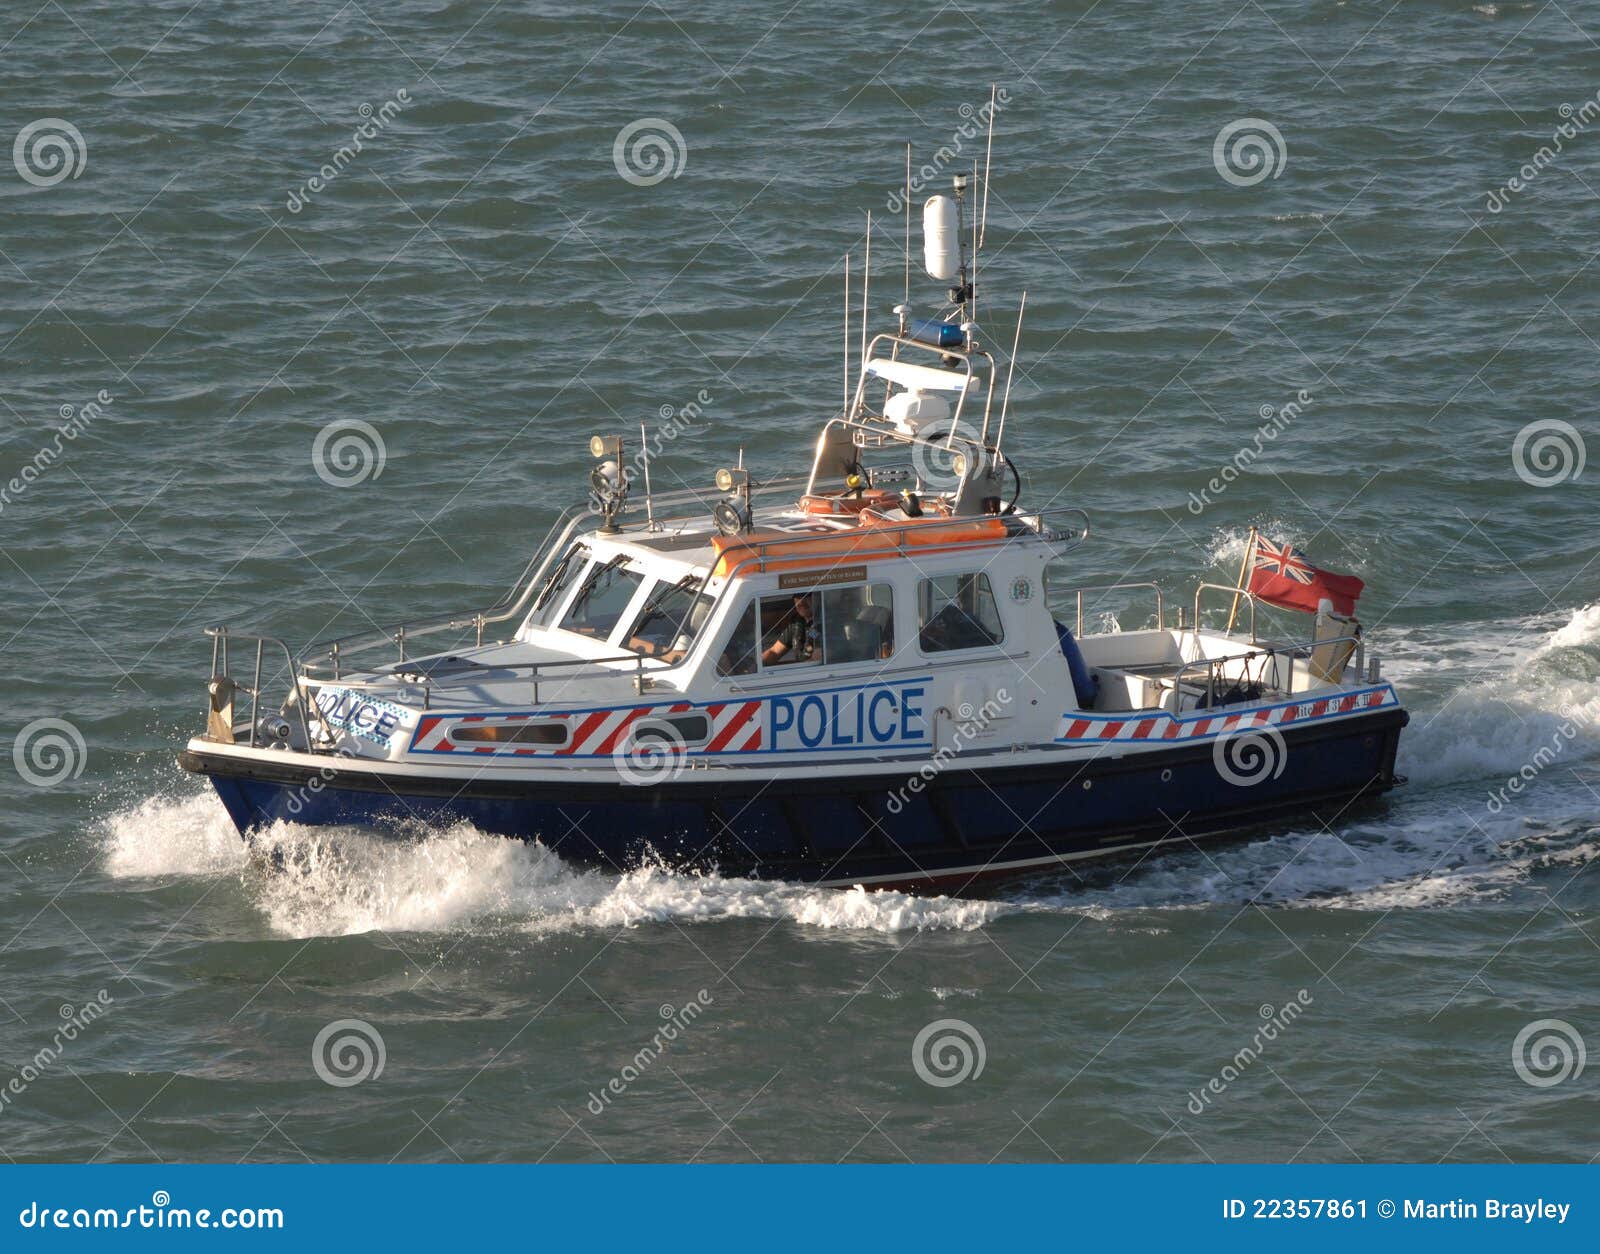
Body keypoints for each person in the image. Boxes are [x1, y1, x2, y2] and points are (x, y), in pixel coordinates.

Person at [762, 593, 818, 665]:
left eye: (806, 596)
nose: (801, 601)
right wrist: (757, 665)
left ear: (817, 596)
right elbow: (774, 652)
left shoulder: (824, 622)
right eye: (797, 597)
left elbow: (816, 660)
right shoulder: (797, 623)